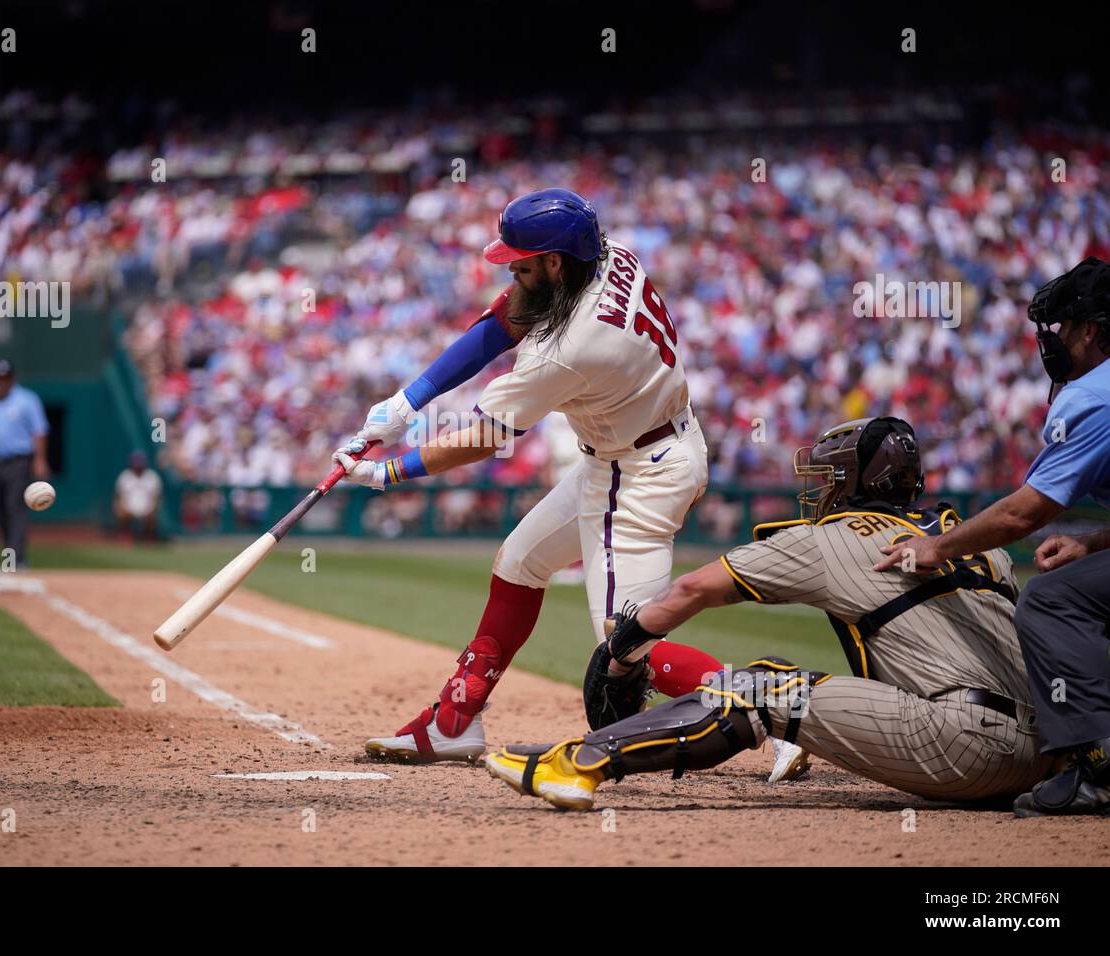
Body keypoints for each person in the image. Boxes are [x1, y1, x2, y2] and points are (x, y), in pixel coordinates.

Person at [333, 187, 806, 782]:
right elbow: (506, 320)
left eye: (523, 263)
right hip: (633, 450)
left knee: (628, 644)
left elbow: (486, 436)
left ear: (555, 262)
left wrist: (388, 472)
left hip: (638, 474)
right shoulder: (604, 257)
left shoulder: (570, 348)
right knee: (519, 561)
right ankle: (456, 721)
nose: (513, 273)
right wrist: (409, 401)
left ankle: (782, 711)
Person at [485, 417, 1052, 812]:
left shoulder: (831, 538)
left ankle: (578, 763)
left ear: (855, 482)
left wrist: (621, 646)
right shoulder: (981, 545)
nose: (821, 491)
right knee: (782, 669)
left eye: (830, 478)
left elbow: (692, 590)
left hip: (963, 749)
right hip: (1043, 754)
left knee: (762, 687)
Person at [871, 258, 1110, 817]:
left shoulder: (1094, 394)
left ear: (1091, 332)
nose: (1052, 341)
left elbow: (1020, 516)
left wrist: (935, 546)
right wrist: (1094, 544)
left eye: (1063, 328)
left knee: (1053, 601)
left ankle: (1095, 769)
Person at [0, 359, 49, 568]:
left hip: (18, 462)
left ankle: (17, 560)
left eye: (5, 377)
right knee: (0, 512)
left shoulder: (26, 400)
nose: (2, 381)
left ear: (12, 378)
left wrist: (40, 459)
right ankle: (11, 557)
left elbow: (39, 430)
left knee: (15, 508)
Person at [113, 450, 163, 541]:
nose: (138, 466)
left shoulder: (152, 476)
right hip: (128, 508)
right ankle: (125, 537)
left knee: (152, 517)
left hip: (147, 509)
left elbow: (156, 498)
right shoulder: (125, 476)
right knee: (121, 513)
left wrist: (152, 509)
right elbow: (118, 497)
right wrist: (122, 508)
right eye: (136, 463)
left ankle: (149, 538)